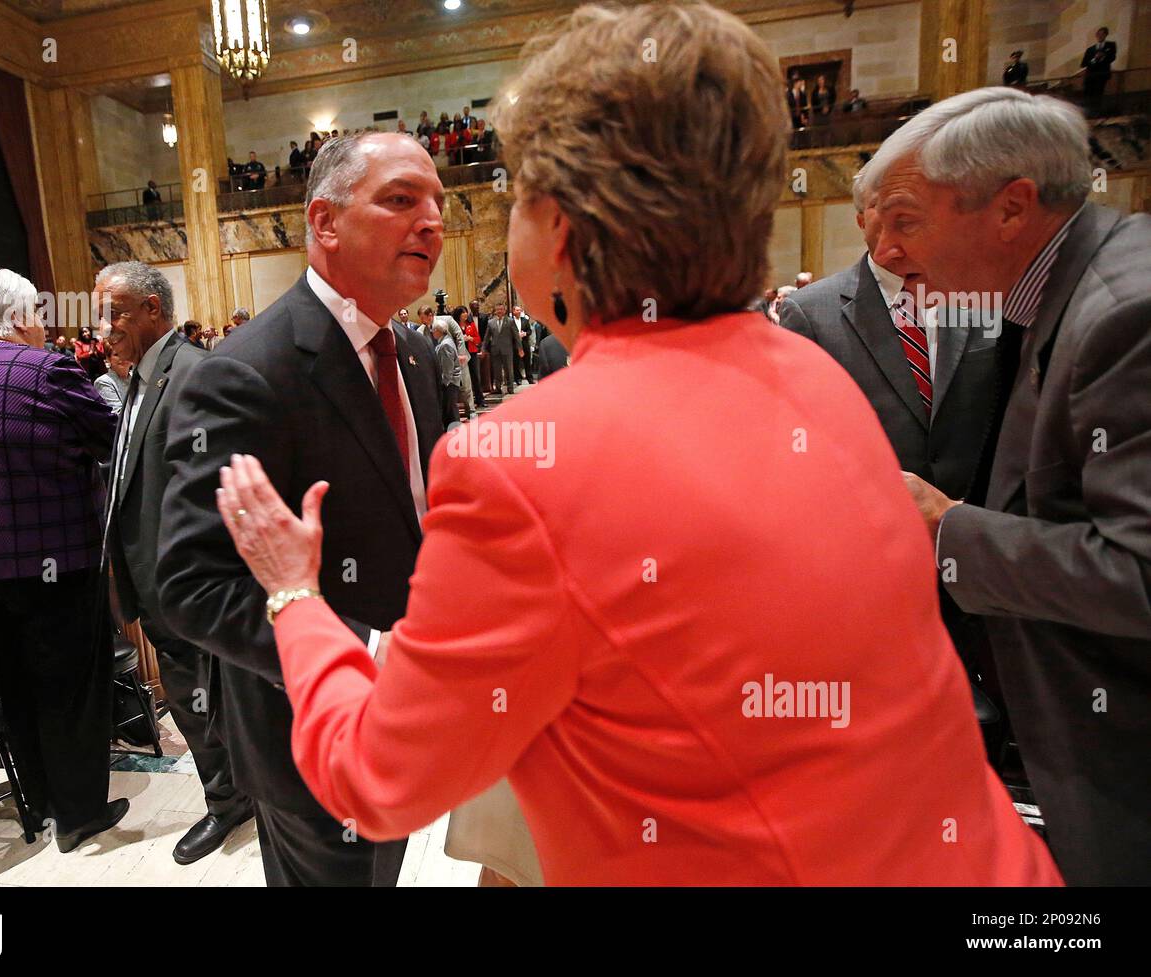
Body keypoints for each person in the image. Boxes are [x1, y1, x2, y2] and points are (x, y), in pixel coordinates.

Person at [209, 2, 1060, 887]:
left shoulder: (523, 466)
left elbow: (375, 781)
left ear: (562, 230)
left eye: (514, 198)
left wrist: (293, 596)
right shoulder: (819, 381)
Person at [862, 86, 1151, 885]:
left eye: (906, 220)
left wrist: (947, 528)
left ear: (1012, 208)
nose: (883, 253)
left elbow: (1141, 572)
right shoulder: (1058, 297)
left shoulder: (1125, 314)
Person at [156, 132, 445, 887]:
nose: (432, 222)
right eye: (402, 199)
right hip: (308, 730)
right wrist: (356, 649)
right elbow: (191, 582)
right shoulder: (246, 372)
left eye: (439, 205)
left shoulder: (410, 355)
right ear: (324, 222)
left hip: (410, 716)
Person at [777, 178, 1006, 730]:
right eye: (885, 217)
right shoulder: (811, 312)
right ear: (861, 218)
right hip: (870, 560)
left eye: (914, 219)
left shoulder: (974, 296)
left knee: (992, 719)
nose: (896, 237)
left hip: (976, 541)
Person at [0, 265, 126, 853]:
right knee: (72, 689)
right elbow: (111, 440)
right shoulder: (45, 369)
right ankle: (82, 812)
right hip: (52, 562)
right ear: (15, 318)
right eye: (36, 311)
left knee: (18, 688)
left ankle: (44, 804)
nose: (42, 322)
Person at [94, 260, 255, 866]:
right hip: (155, 578)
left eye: (114, 312)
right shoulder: (139, 376)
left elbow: (215, 486)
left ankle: (231, 799)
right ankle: (233, 791)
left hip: (188, 582)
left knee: (207, 694)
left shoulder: (190, 373)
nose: (102, 326)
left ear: (153, 311)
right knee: (191, 696)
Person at [482, 301, 519, 394]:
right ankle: (498, 388)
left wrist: (520, 348)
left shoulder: (510, 321)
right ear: (495, 311)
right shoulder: (491, 322)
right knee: (497, 370)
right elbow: (486, 337)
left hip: (507, 349)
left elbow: (516, 336)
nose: (499, 311)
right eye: (498, 309)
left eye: (501, 309)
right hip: (495, 350)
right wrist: (483, 348)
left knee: (509, 370)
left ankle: (510, 387)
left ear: (504, 310)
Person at [431, 320, 462, 428]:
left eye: (433, 330)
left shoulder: (445, 345)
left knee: (450, 412)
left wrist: (443, 384)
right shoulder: (446, 341)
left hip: (450, 383)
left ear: (439, 331)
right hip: (450, 382)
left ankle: (455, 435)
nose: (432, 332)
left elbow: (447, 368)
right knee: (450, 411)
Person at [1080, 27, 1116, 102]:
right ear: (1096, 35)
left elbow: (1112, 58)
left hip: (1102, 75)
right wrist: (1094, 59)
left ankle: (1096, 112)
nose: (1100, 36)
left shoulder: (1111, 45)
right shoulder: (1090, 49)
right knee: (1088, 96)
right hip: (1090, 76)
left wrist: (1103, 57)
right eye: (1098, 34)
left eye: (1102, 34)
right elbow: (1084, 64)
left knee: (1098, 96)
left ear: (1106, 35)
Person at [93, 342, 131, 414]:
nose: (122, 357)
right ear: (108, 359)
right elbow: (117, 414)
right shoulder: (103, 382)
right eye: (116, 354)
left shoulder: (137, 378)